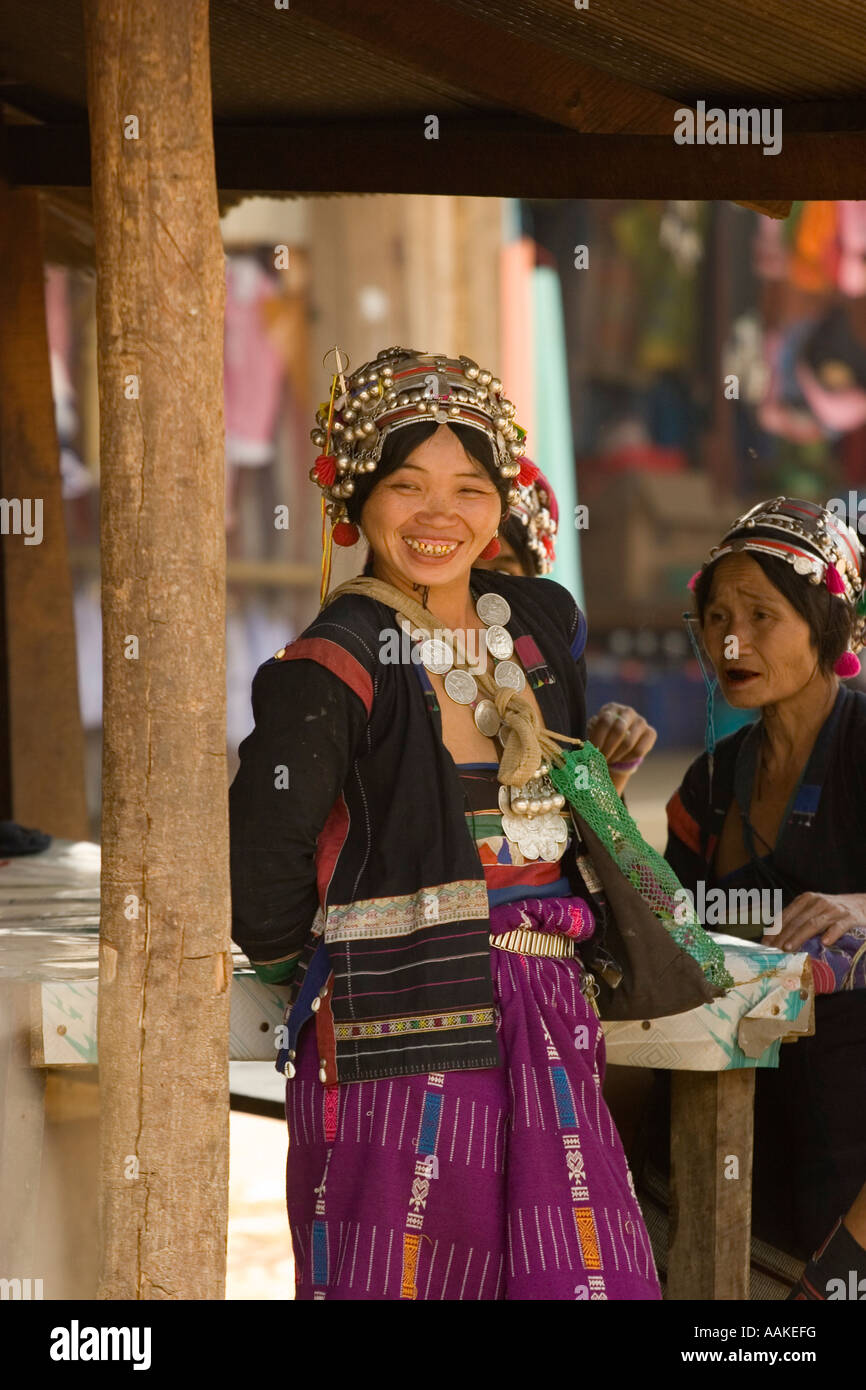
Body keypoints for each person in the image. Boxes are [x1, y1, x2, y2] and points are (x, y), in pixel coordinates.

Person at [229, 346, 701, 1301]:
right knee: (409, 1277)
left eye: (469, 486)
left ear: (501, 502)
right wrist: (308, 973)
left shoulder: (535, 625)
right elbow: (265, 853)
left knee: (579, 1274)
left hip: (549, 1011)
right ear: (353, 501)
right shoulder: (331, 665)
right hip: (398, 1021)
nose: (439, 514)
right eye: (406, 485)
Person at [662, 496, 866, 1263]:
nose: (732, 640)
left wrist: (859, 906)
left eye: (760, 615)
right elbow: (673, 925)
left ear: (827, 627)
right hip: (738, 1090)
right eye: (716, 618)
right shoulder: (710, 782)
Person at [473, 463, 658, 792]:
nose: (483, 594)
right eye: (467, 574)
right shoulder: (405, 669)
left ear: (534, 589)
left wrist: (612, 769)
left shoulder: (547, 674)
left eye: (503, 575)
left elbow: (581, 833)